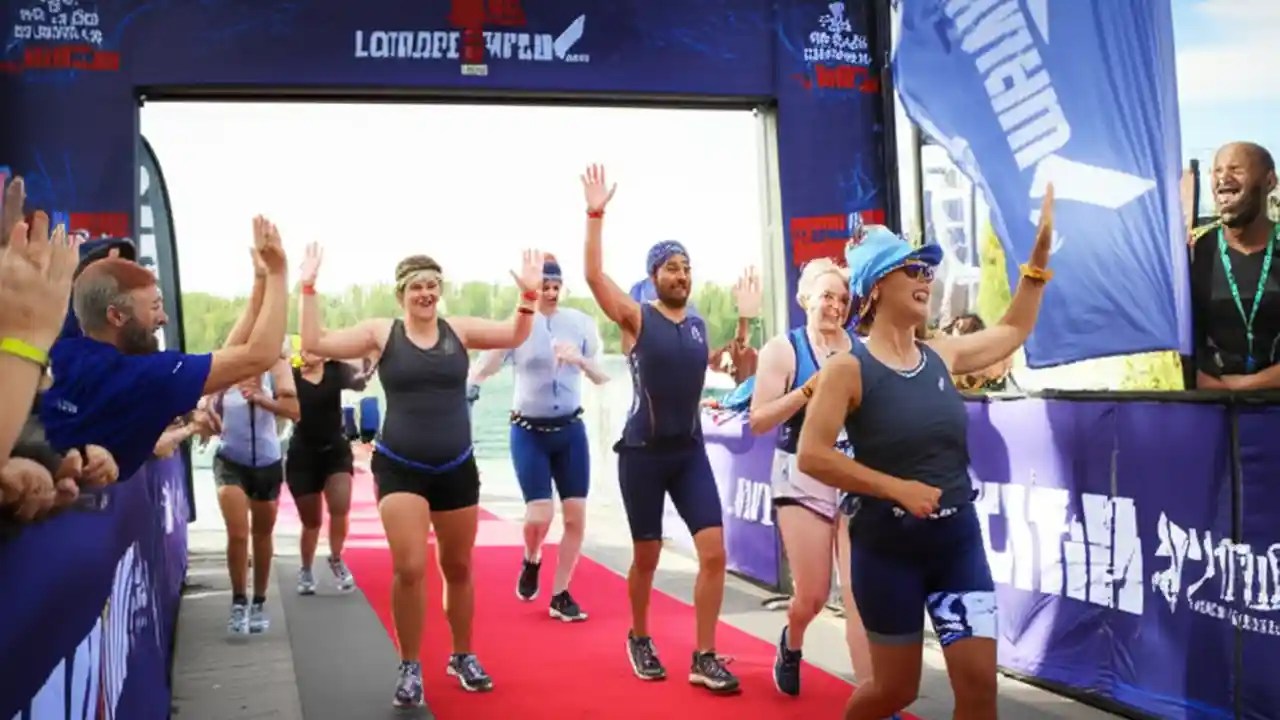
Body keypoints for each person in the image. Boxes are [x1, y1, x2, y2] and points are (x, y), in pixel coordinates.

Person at [796, 189, 1055, 720]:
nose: (925, 277)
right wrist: (895, 488)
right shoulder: (848, 369)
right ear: (875, 287)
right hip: (886, 549)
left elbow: (1013, 330)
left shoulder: (943, 353)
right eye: (910, 268)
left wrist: (1038, 261)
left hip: (955, 540)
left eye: (926, 270)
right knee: (895, 691)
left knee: (981, 687)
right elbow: (812, 456)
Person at [298, 242, 544, 705]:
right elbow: (314, 343)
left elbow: (514, 334)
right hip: (401, 467)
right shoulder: (382, 333)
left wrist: (527, 297)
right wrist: (308, 287)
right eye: (417, 287)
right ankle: (410, 666)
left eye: (433, 285)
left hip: (455, 467)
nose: (426, 293)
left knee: (458, 567)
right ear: (401, 294)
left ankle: (462, 654)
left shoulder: (459, 330)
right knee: (410, 567)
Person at [579, 164, 759, 694]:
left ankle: (704, 656)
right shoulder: (636, 318)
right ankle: (639, 635)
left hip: (689, 453)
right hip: (642, 454)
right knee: (648, 555)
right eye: (672, 268)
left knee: (714, 553)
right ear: (655, 274)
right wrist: (595, 214)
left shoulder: (700, 322)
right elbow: (593, 276)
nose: (682, 276)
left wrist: (745, 324)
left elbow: (740, 375)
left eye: (687, 269)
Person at [40, 216, 291, 484]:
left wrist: (260, 281)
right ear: (116, 316)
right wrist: (278, 272)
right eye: (155, 306)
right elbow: (259, 355)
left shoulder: (62, 347)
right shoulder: (145, 378)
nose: (164, 318)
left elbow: (229, 356)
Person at [747, 257, 873, 697]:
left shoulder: (860, 349)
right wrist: (807, 390)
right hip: (800, 474)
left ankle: (873, 696)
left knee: (860, 596)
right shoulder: (784, 349)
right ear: (805, 300)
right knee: (815, 595)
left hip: (852, 475)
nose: (835, 306)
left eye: (842, 299)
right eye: (826, 297)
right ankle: (792, 641)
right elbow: (758, 420)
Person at [468, 253, 610, 622]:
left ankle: (561, 593)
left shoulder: (579, 323)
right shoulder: (522, 324)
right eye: (543, 287)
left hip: (570, 431)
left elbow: (601, 375)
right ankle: (531, 558)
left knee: (576, 518)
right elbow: (483, 370)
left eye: (555, 287)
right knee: (539, 515)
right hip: (529, 431)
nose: (550, 293)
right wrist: (514, 324)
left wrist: (579, 359)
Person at [202, 269, 302, 635]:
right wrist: (205, 413)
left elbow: (294, 412)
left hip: (269, 464)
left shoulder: (278, 368)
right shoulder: (228, 366)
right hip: (231, 460)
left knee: (262, 535)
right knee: (238, 533)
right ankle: (238, 600)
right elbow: (202, 404)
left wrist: (262, 397)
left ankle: (259, 600)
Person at [1191, 142, 1280, 391]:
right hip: (1209, 408)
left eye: (1236, 169)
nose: (1223, 178)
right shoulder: (1193, 253)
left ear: (1270, 181)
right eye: (1217, 171)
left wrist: (1246, 386)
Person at [287, 340, 373, 595]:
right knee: (311, 520)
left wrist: (369, 362)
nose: (309, 353)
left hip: (335, 450)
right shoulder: (291, 373)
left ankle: (336, 558)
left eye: (315, 349)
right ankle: (305, 568)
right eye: (304, 349)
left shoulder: (336, 370)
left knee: (340, 505)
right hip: (303, 453)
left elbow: (359, 381)